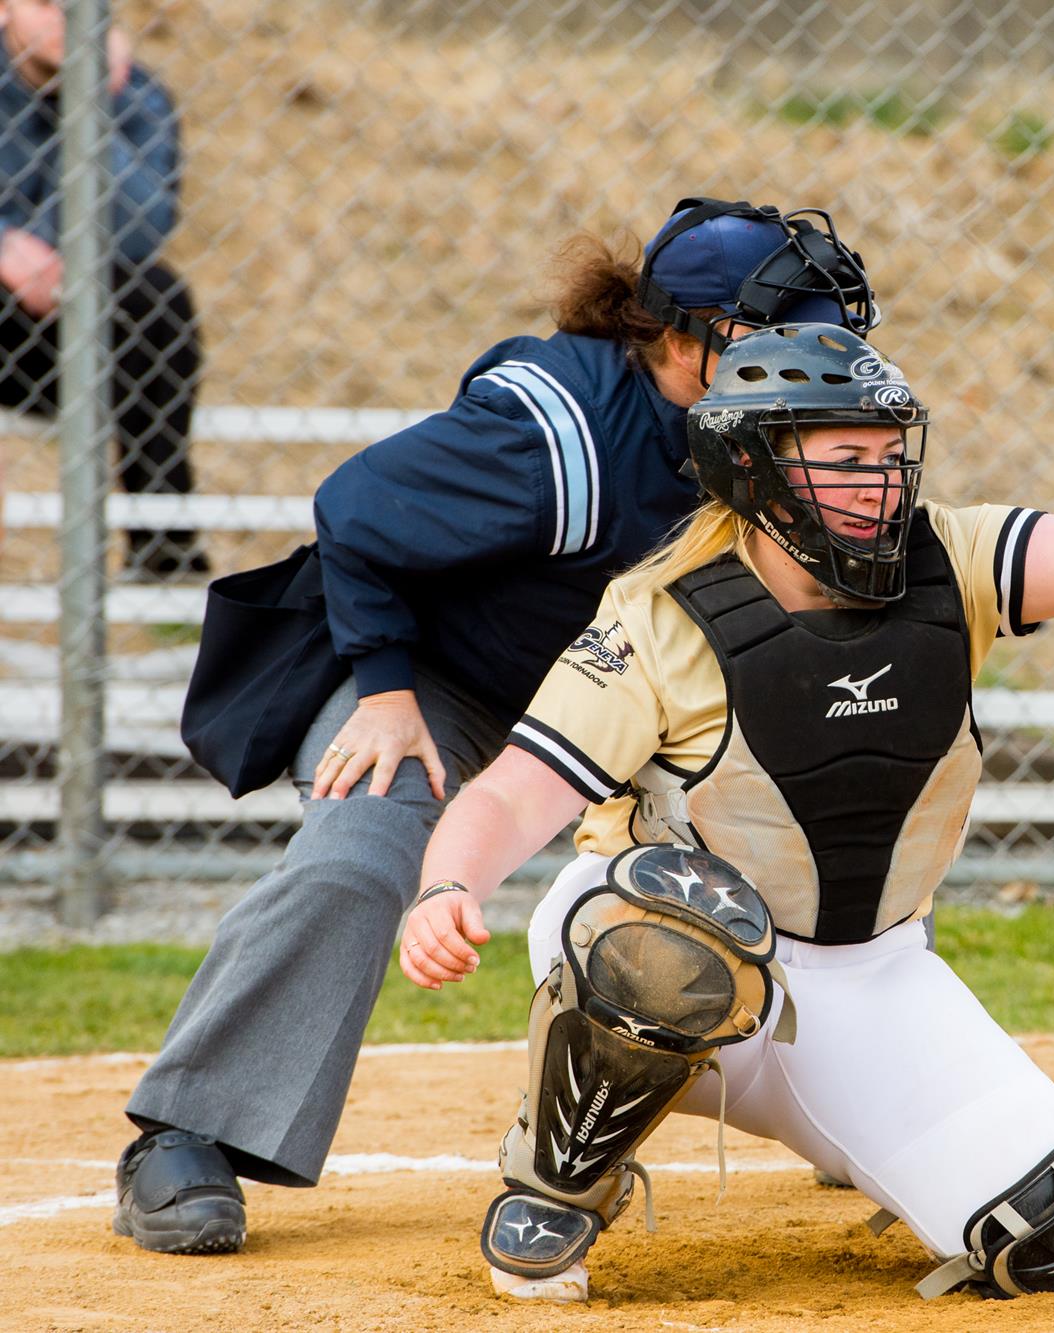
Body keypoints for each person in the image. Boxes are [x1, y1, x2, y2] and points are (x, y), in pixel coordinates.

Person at [399, 322, 1054, 1304]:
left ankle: (860, 1141)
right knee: (669, 930)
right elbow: (517, 787)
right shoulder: (659, 616)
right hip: (667, 975)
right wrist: (448, 885)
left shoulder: (950, 557)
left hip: (870, 980)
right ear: (752, 468)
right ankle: (558, 1179)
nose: (880, 483)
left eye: (886, 457)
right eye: (845, 460)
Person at [111, 199, 880, 1256]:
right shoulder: (554, 429)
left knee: (799, 830)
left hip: (622, 695)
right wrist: (381, 689)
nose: (814, 354)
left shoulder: (766, 427)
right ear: (684, 334)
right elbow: (357, 510)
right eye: (779, 330)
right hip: (439, 679)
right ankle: (184, 1132)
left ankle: (875, 1110)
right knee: (361, 851)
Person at [0, 0, 205, 578]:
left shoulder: (132, 94)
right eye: (45, 3)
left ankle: (162, 545)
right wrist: (6, 248)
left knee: (158, 297)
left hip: (75, 319)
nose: (64, 16)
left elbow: (143, 230)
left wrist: (87, 108)